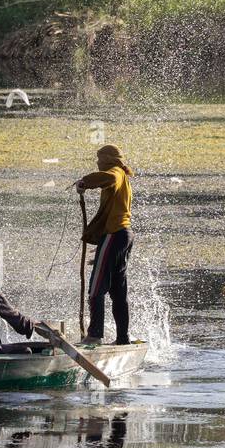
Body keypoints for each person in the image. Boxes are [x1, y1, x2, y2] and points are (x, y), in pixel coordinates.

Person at [76, 143, 133, 344]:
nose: (97, 162)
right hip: (124, 236)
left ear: (108, 159)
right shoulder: (123, 176)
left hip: (115, 234)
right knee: (118, 291)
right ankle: (122, 339)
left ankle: (94, 335)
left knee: (96, 287)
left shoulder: (115, 172)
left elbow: (109, 178)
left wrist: (85, 182)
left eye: (99, 158)